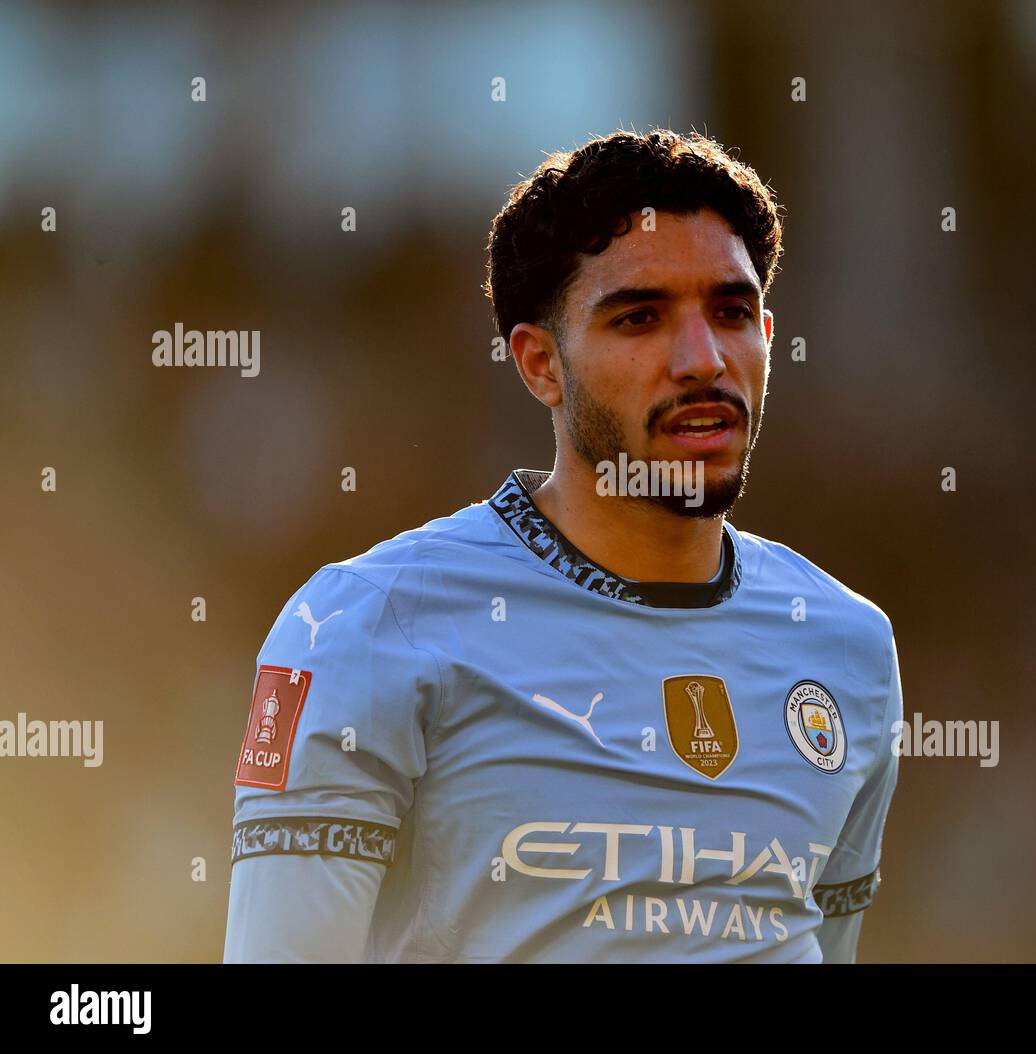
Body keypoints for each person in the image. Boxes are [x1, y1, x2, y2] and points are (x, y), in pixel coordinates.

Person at [223, 128, 902, 963]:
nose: (703, 359)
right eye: (641, 318)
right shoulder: (366, 626)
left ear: (766, 332)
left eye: (730, 313)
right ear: (540, 364)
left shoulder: (848, 646)